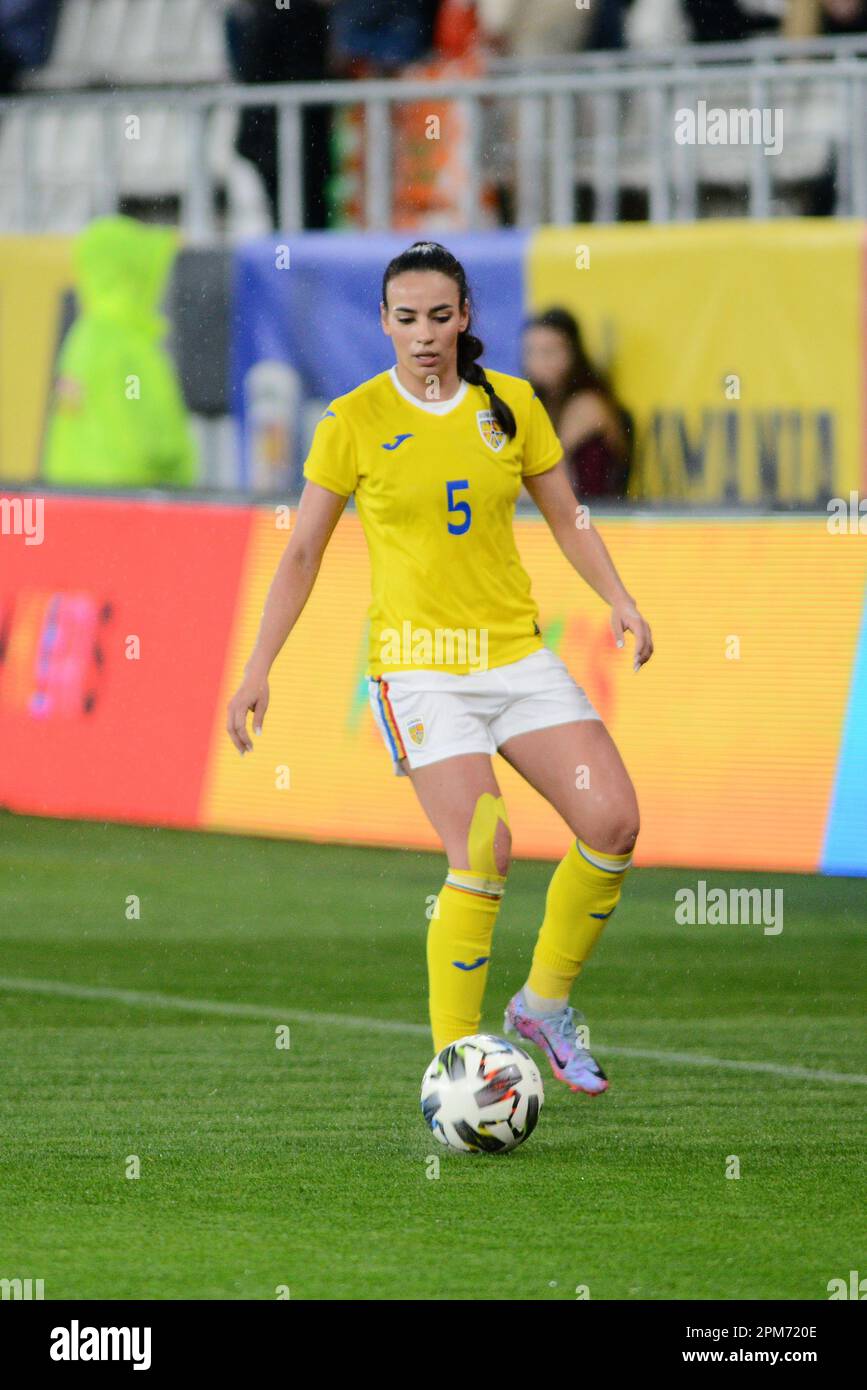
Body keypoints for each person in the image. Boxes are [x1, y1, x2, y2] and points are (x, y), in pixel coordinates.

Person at [226, 240, 653, 1097]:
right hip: (420, 669)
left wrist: (619, 597)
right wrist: (257, 666)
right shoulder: (353, 420)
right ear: (384, 322)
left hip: (516, 656)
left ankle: (542, 1005)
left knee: (612, 823)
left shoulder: (512, 406)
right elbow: (304, 548)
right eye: (406, 318)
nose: (424, 334)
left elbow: (567, 517)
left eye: (439, 316)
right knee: (486, 847)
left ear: (465, 318)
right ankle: (460, 1065)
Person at [522, 307, 633, 500]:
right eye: (531, 352)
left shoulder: (588, 404)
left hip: (597, 518)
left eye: (549, 352)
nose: (538, 362)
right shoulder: (541, 402)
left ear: (573, 353)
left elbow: (549, 470)